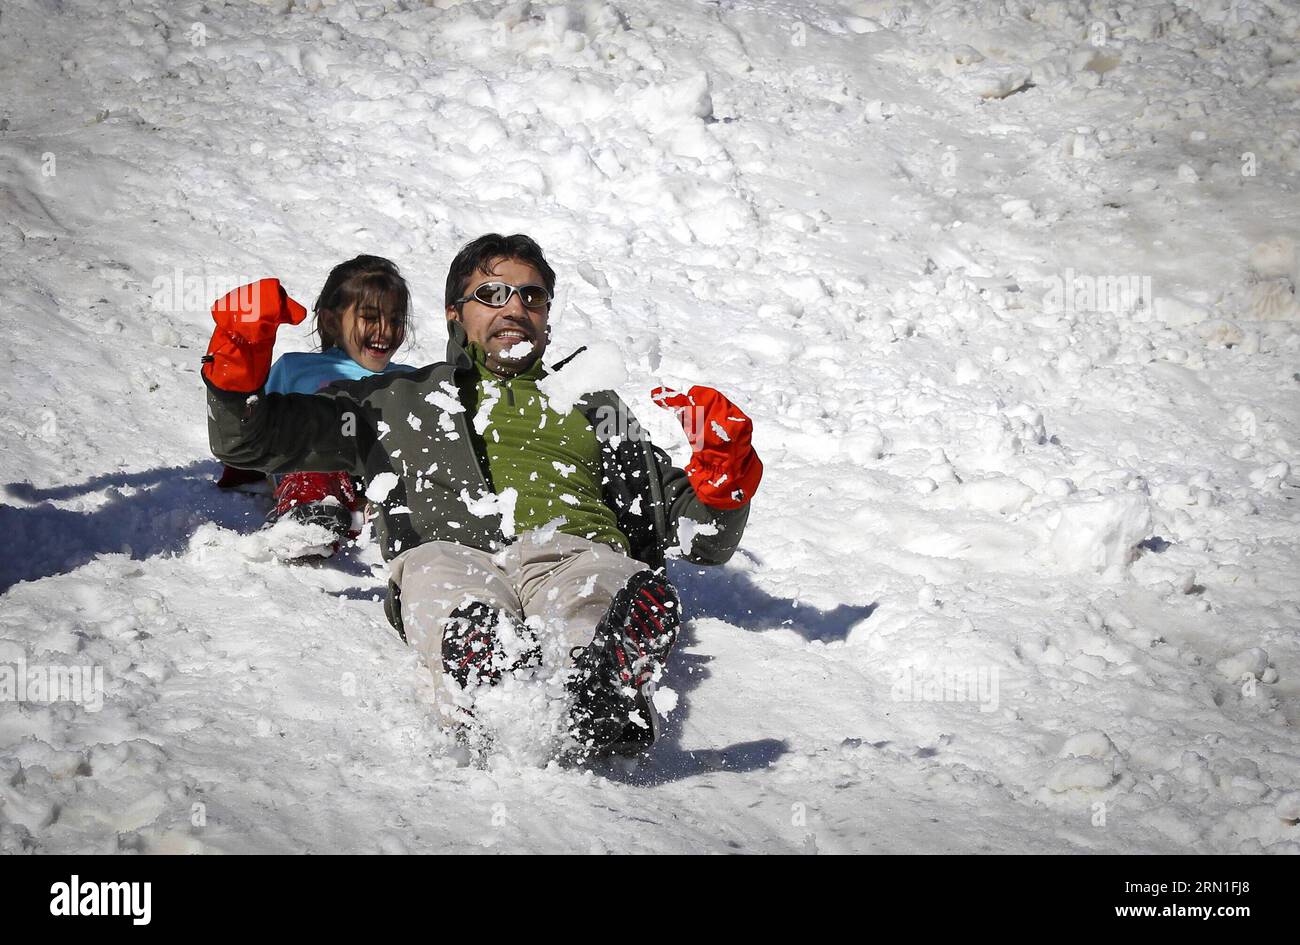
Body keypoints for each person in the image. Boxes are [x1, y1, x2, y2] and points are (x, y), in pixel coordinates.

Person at [201, 234, 763, 757]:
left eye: (532, 296)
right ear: (455, 311)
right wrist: (236, 371)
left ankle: (600, 685)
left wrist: (725, 478)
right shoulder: (395, 397)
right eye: (491, 294)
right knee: (442, 584)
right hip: (450, 546)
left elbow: (699, 537)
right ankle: (483, 667)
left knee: (593, 593)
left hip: (575, 547)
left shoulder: (595, 404)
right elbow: (252, 440)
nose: (514, 308)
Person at [215, 256, 415, 549]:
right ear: (331, 321)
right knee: (314, 465)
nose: (385, 330)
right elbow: (260, 428)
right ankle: (308, 522)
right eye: (370, 318)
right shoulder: (296, 368)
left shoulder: (411, 379)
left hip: (382, 476)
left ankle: (388, 516)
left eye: (396, 319)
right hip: (316, 470)